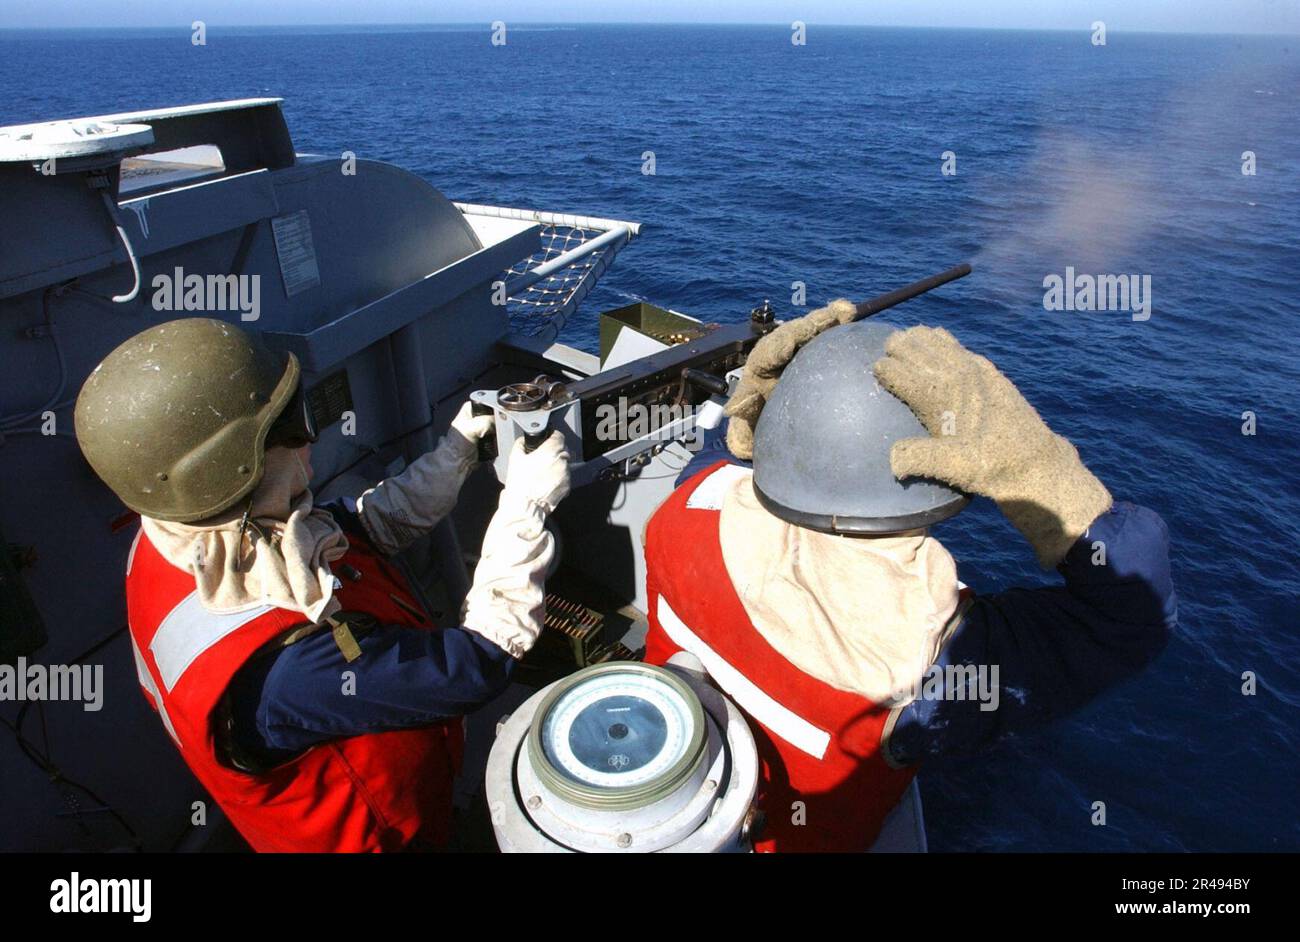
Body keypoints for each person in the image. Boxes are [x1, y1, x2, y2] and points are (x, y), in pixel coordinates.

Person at [642, 304, 1177, 852]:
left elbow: (724, 462)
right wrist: (1034, 472)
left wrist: (771, 412)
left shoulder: (685, 505)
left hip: (661, 775)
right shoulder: (930, 663)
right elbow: (1134, 618)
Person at [74, 317, 570, 852]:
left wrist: (455, 453)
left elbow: (355, 529)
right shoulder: (285, 671)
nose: (310, 437)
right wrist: (527, 505)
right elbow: (477, 665)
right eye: (290, 427)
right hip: (378, 837)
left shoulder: (183, 539)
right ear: (232, 470)